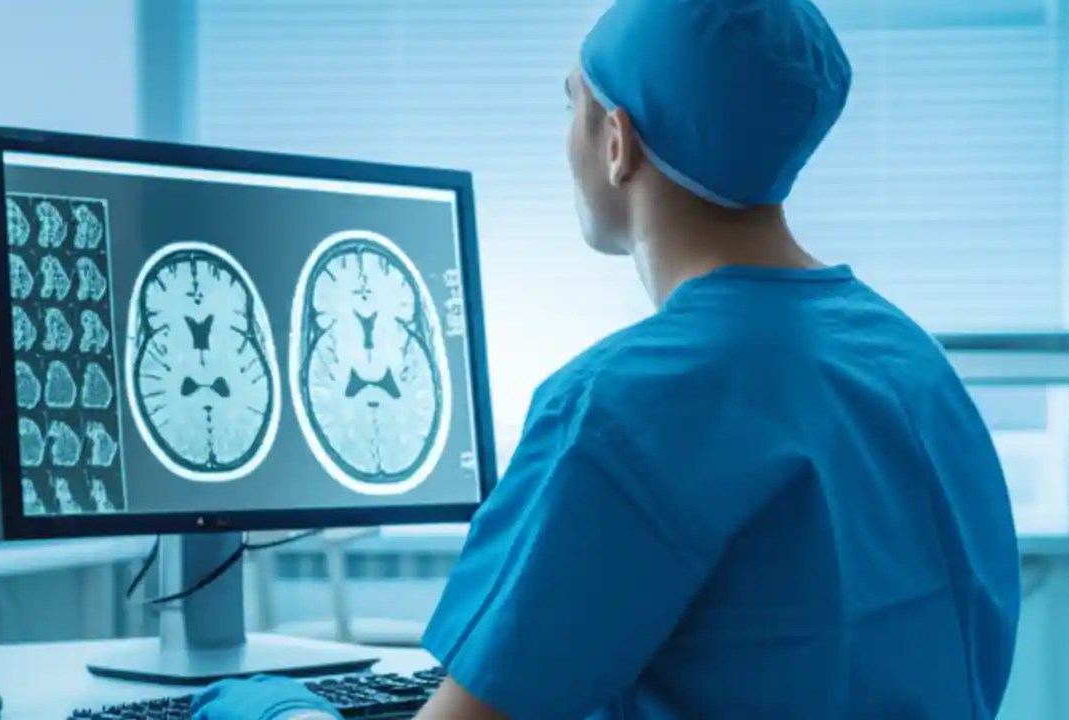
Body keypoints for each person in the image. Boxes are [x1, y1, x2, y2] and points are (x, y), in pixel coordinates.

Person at [192, 0, 1022, 717]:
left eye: (572, 108)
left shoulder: (623, 405)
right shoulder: (913, 364)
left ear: (620, 142)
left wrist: (278, 709)